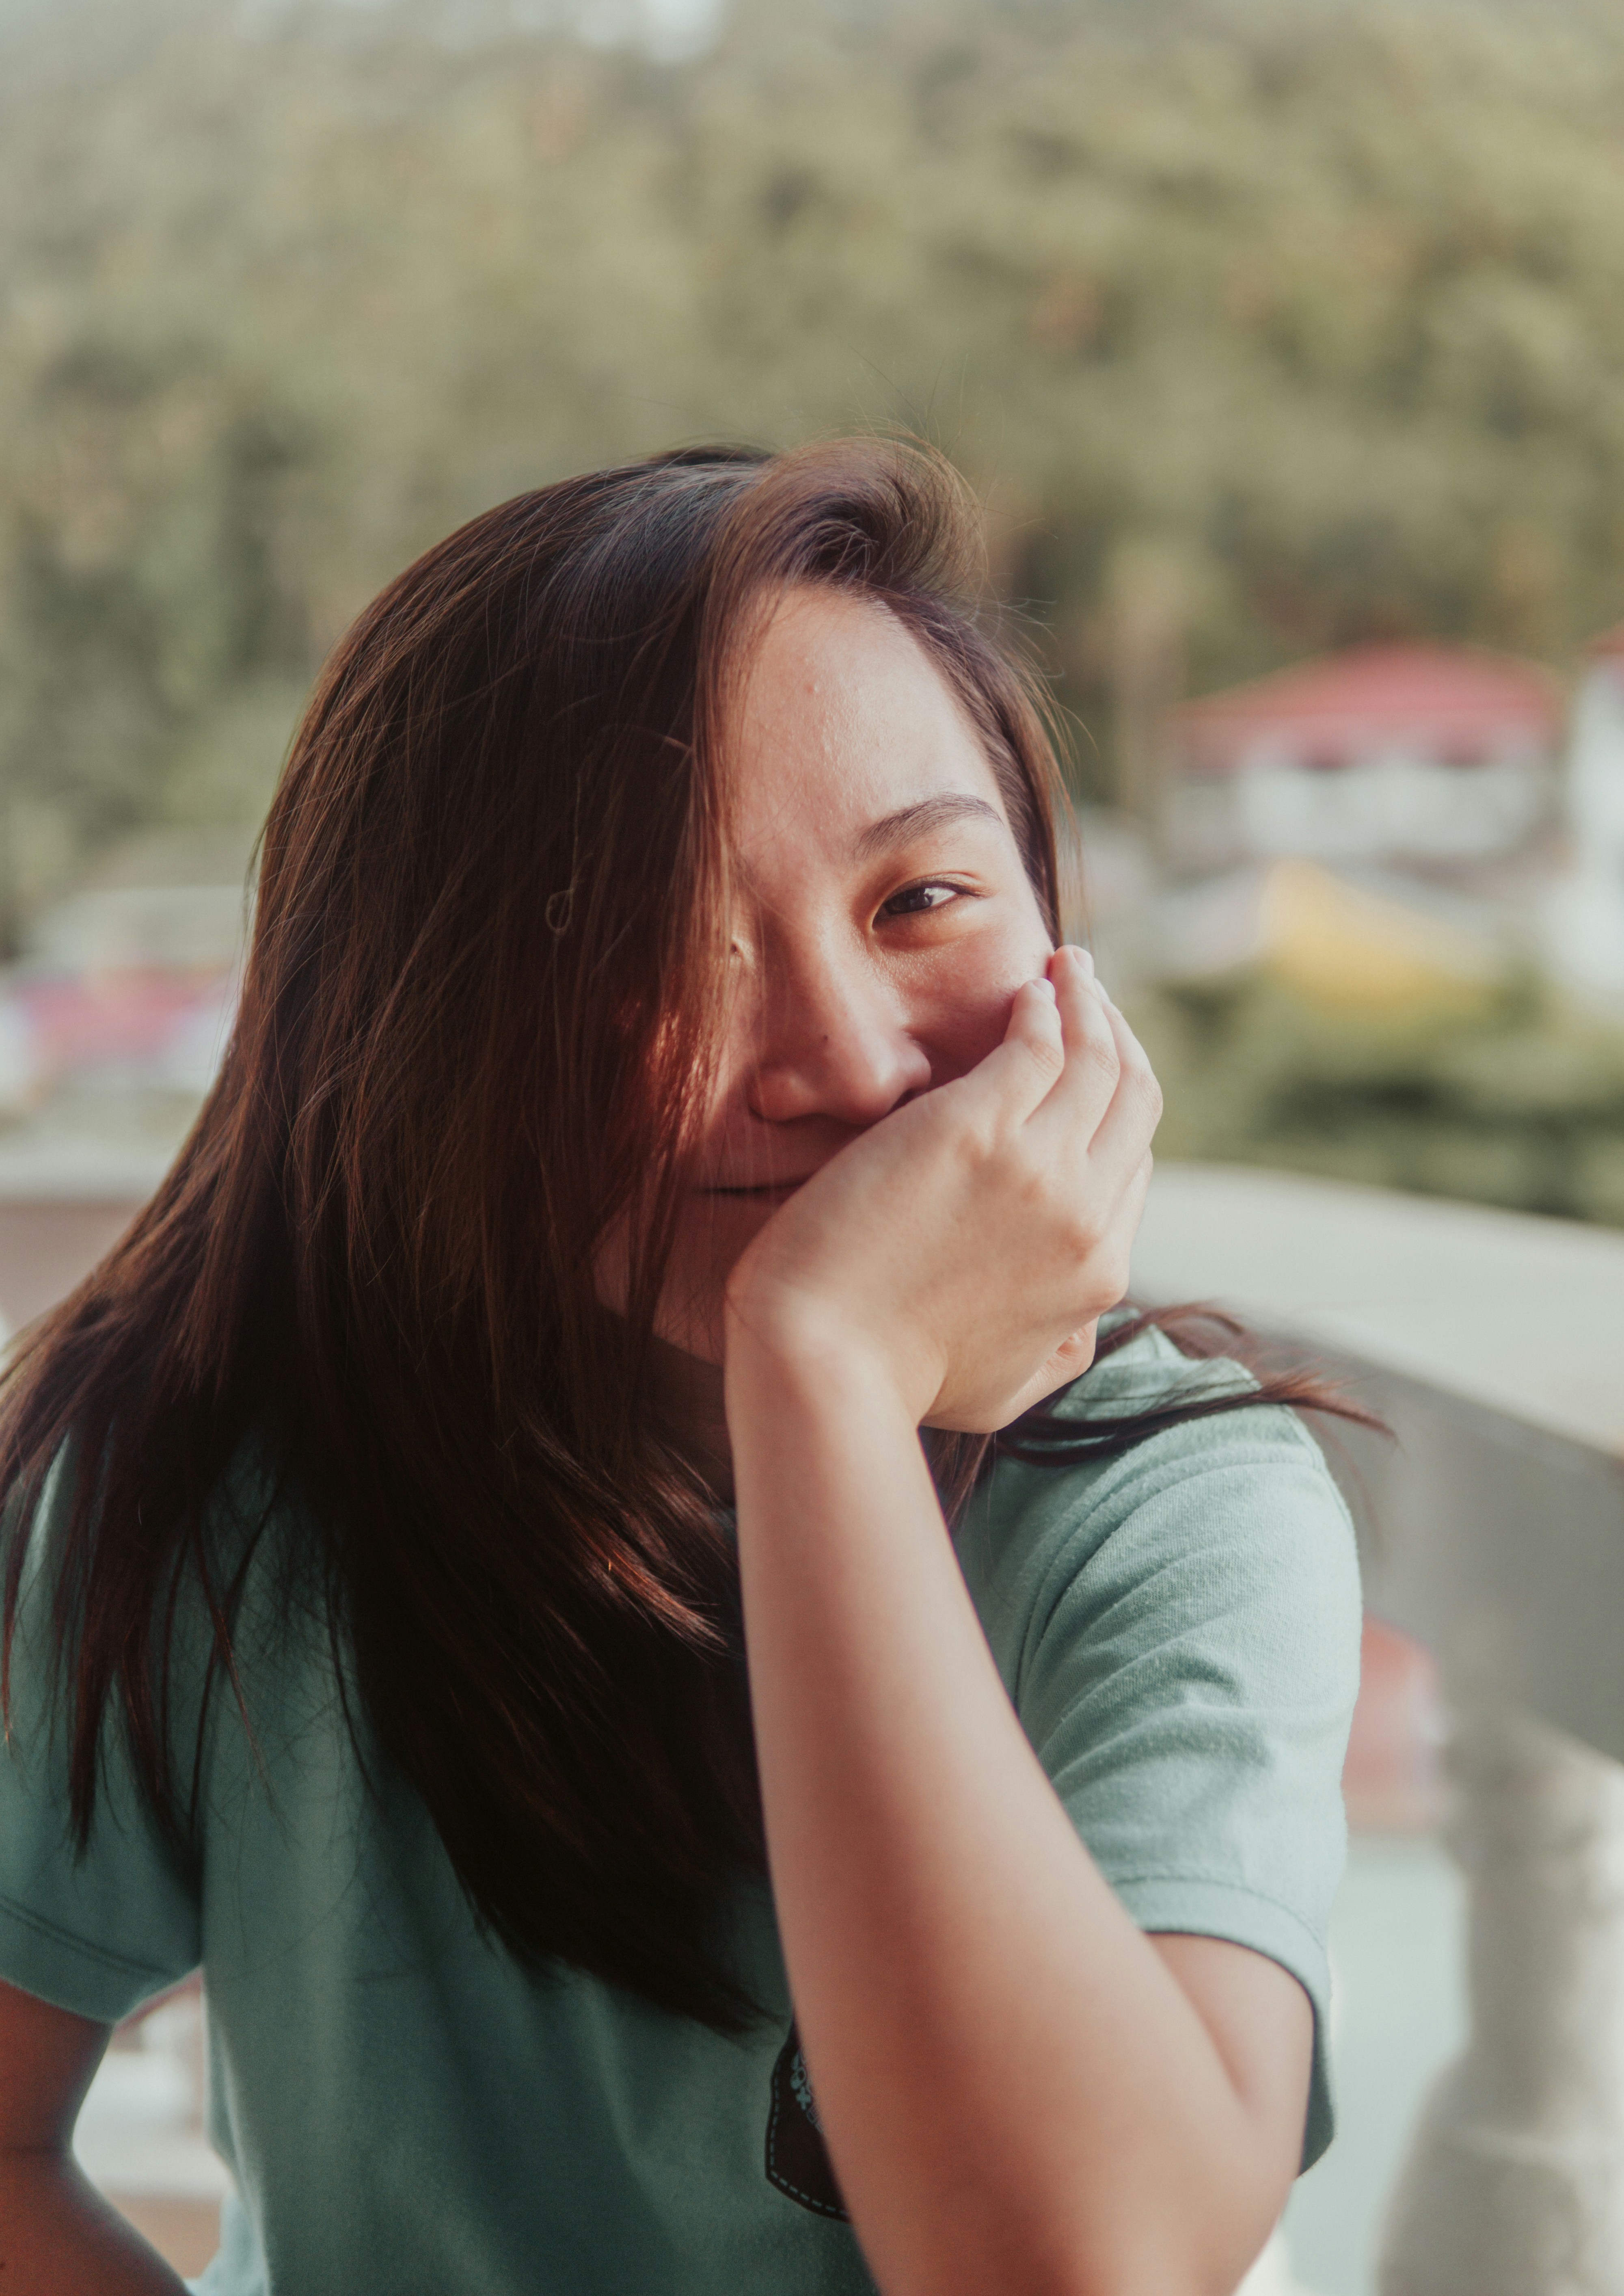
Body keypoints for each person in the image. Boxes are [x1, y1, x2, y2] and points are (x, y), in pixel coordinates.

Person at [0, 441, 1361, 2296]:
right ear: (424, 1016)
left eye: (922, 902)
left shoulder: (1166, 1504)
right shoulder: (217, 1476)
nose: (847, 1065)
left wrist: (821, 1373)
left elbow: (1077, 2265)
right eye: (646, 943)